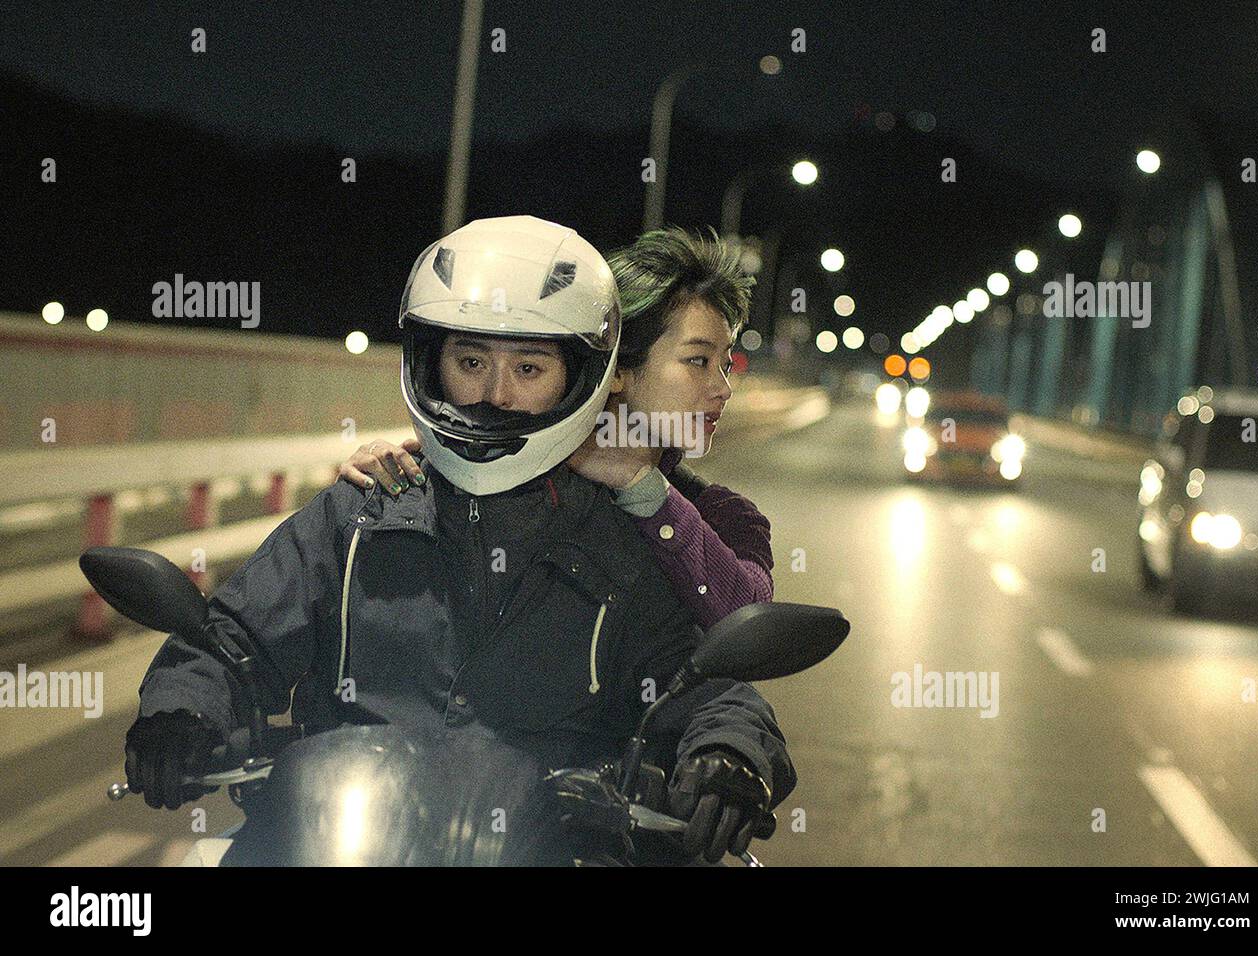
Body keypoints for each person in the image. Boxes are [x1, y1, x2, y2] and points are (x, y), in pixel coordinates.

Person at [125, 216, 791, 863]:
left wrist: (727, 756)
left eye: (529, 370)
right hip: (333, 842)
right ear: (429, 362)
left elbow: (703, 682)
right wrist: (182, 713)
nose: (493, 396)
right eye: (470, 361)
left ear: (587, 376)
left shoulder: (623, 535)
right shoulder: (364, 508)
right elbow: (234, 638)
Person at [340, 227, 773, 630]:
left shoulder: (722, 515)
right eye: (698, 360)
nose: (723, 389)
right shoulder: (503, 478)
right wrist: (396, 474)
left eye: (725, 363)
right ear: (616, 367)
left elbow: (748, 625)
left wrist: (643, 488)